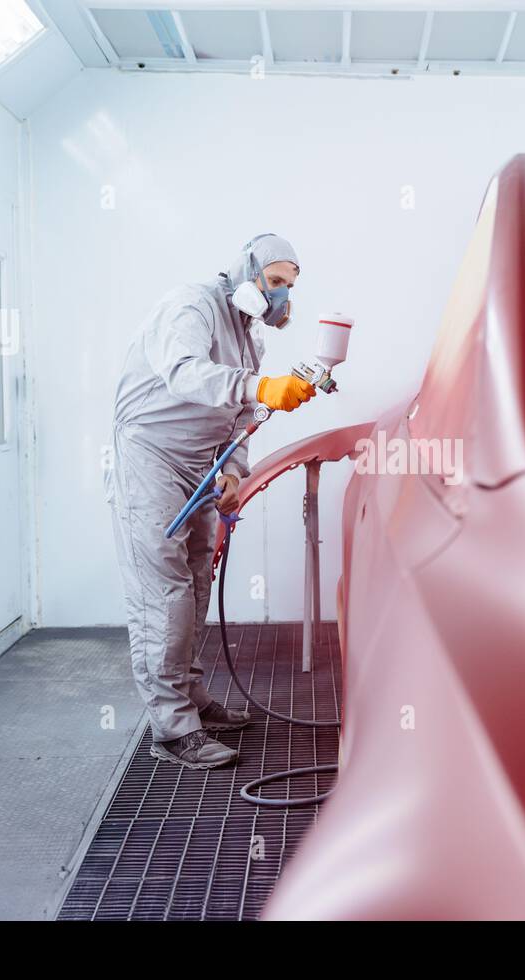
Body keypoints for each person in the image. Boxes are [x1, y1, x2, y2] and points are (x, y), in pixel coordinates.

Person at [107, 234, 315, 770]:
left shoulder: (251, 339)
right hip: (149, 458)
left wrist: (234, 468)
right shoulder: (191, 305)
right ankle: (172, 729)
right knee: (165, 595)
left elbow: (239, 419)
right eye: (274, 284)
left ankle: (191, 699)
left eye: (289, 288)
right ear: (246, 273)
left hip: (201, 465)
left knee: (197, 582)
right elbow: (184, 372)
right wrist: (260, 387)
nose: (281, 300)